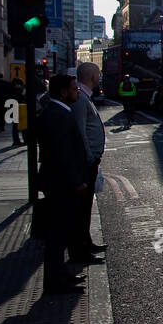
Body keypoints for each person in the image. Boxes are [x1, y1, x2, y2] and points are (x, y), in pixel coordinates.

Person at [35, 74, 90, 294]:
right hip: (61, 184)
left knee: (62, 233)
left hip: (59, 182)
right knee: (57, 235)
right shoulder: (57, 115)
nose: (77, 91)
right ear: (63, 92)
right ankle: (55, 282)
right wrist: (77, 182)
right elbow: (62, 154)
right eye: (74, 89)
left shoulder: (58, 112)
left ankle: (61, 275)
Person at [72, 63, 107, 262]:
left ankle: (86, 241)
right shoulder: (80, 98)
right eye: (98, 74)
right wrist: (88, 157)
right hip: (85, 162)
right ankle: (81, 249)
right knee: (81, 207)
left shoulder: (84, 96)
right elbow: (80, 131)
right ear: (93, 76)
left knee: (86, 206)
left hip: (90, 160)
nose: (100, 77)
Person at [5, 77, 25, 148]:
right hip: (16, 110)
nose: (21, 86)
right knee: (17, 126)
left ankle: (18, 141)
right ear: (16, 84)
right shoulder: (16, 91)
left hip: (16, 110)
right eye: (20, 84)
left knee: (18, 126)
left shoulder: (12, 90)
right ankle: (17, 141)